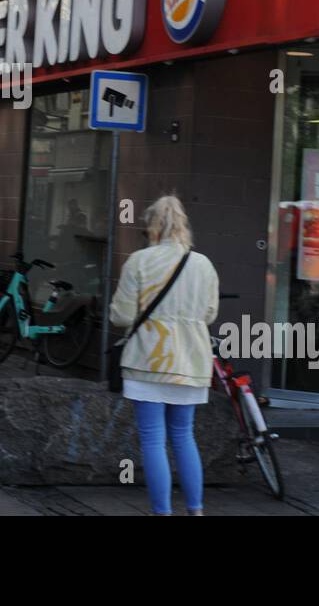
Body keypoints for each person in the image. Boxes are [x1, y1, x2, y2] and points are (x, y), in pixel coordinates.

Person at [109, 195, 219, 516]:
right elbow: (209, 313)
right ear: (183, 224)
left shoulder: (139, 261)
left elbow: (121, 315)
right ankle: (196, 510)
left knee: (153, 440)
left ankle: (162, 512)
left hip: (148, 359)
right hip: (191, 361)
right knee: (184, 436)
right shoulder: (204, 264)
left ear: (152, 226)